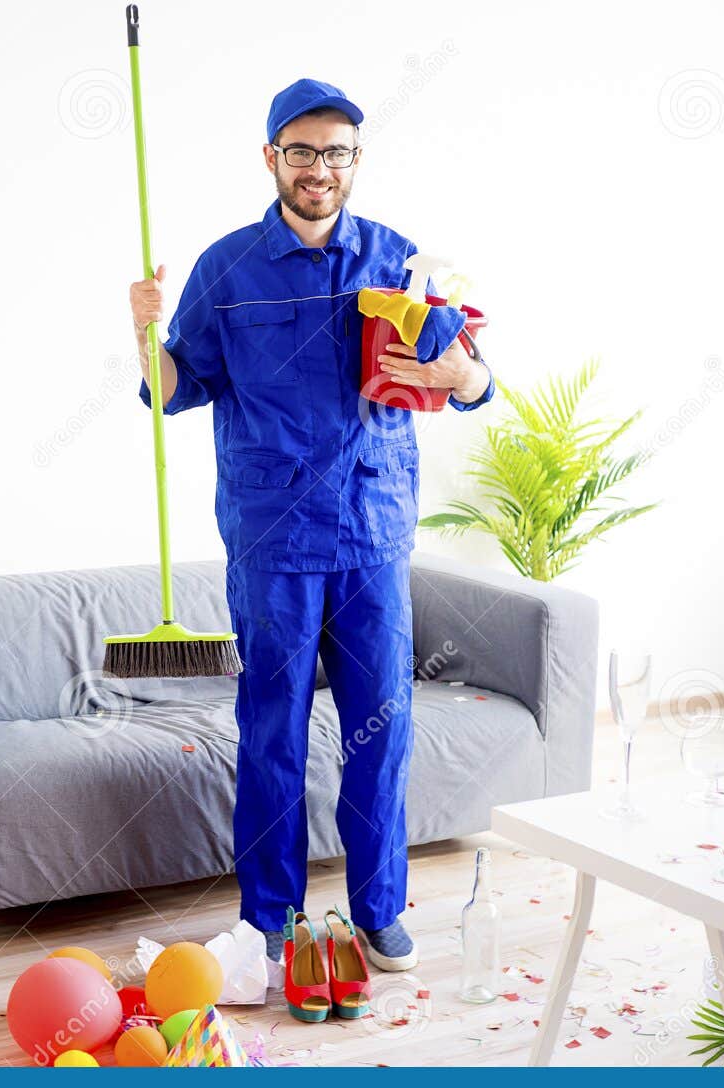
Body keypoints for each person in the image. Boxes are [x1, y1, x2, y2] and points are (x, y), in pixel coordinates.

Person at [129, 79, 494, 973]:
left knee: (384, 723)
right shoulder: (225, 270)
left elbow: (479, 383)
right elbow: (171, 393)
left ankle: (379, 909)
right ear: (272, 159)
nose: (319, 168)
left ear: (355, 162)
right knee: (272, 728)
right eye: (302, 151)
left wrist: (451, 370)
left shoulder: (399, 260)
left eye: (337, 153)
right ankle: (270, 919)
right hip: (272, 539)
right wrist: (143, 337)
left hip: (374, 531)